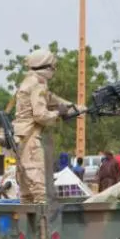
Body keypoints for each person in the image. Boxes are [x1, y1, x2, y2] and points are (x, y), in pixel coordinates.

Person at [12, 48, 84, 204]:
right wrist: (59, 113)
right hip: (30, 140)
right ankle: (42, 226)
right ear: (45, 67)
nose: (54, 71)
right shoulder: (37, 85)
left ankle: (28, 226)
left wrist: (73, 106)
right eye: (52, 67)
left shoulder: (29, 82)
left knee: (26, 193)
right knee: (39, 193)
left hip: (22, 139)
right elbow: (40, 115)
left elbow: (51, 98)